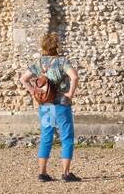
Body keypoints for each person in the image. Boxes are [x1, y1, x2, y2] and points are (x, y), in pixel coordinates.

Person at [19, 32, 80, 183]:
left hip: (45, 105)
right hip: (61, 104)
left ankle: (42, 173)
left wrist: (33, 90)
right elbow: (74, 76)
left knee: (46, 137)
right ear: (56, 46)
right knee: (67, 137)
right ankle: (66, 173)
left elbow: (23, 78)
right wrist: (70, 94)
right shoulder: (62, 61)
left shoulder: (39, 63)